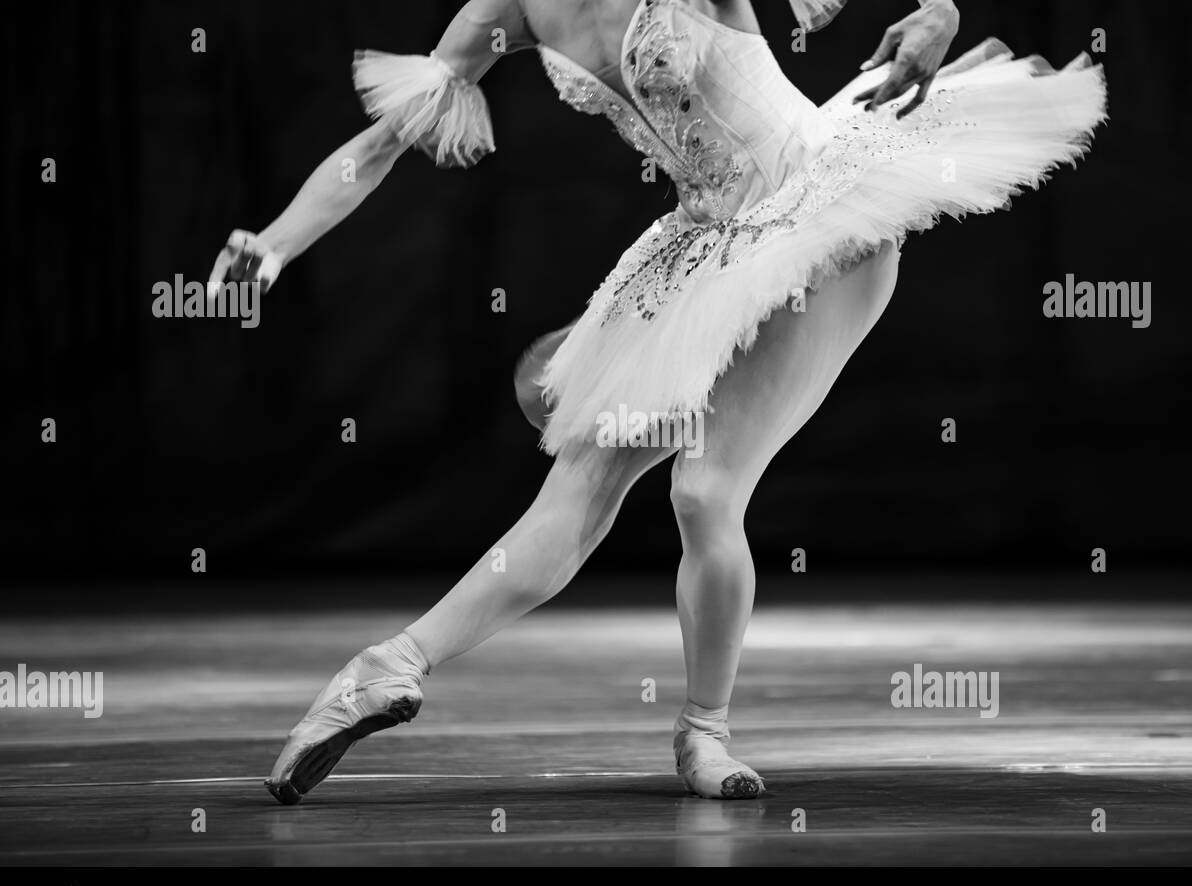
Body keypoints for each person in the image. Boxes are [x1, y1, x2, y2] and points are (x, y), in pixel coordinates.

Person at [208, 0, 1105, 804]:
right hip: (698, 244)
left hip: (820, 214)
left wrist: (939, 8)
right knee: (572, 498)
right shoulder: (506, 10)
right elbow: (379, 148)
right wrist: (276, 245)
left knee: (703, 492)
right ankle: (385, 668)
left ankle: (703, 731)